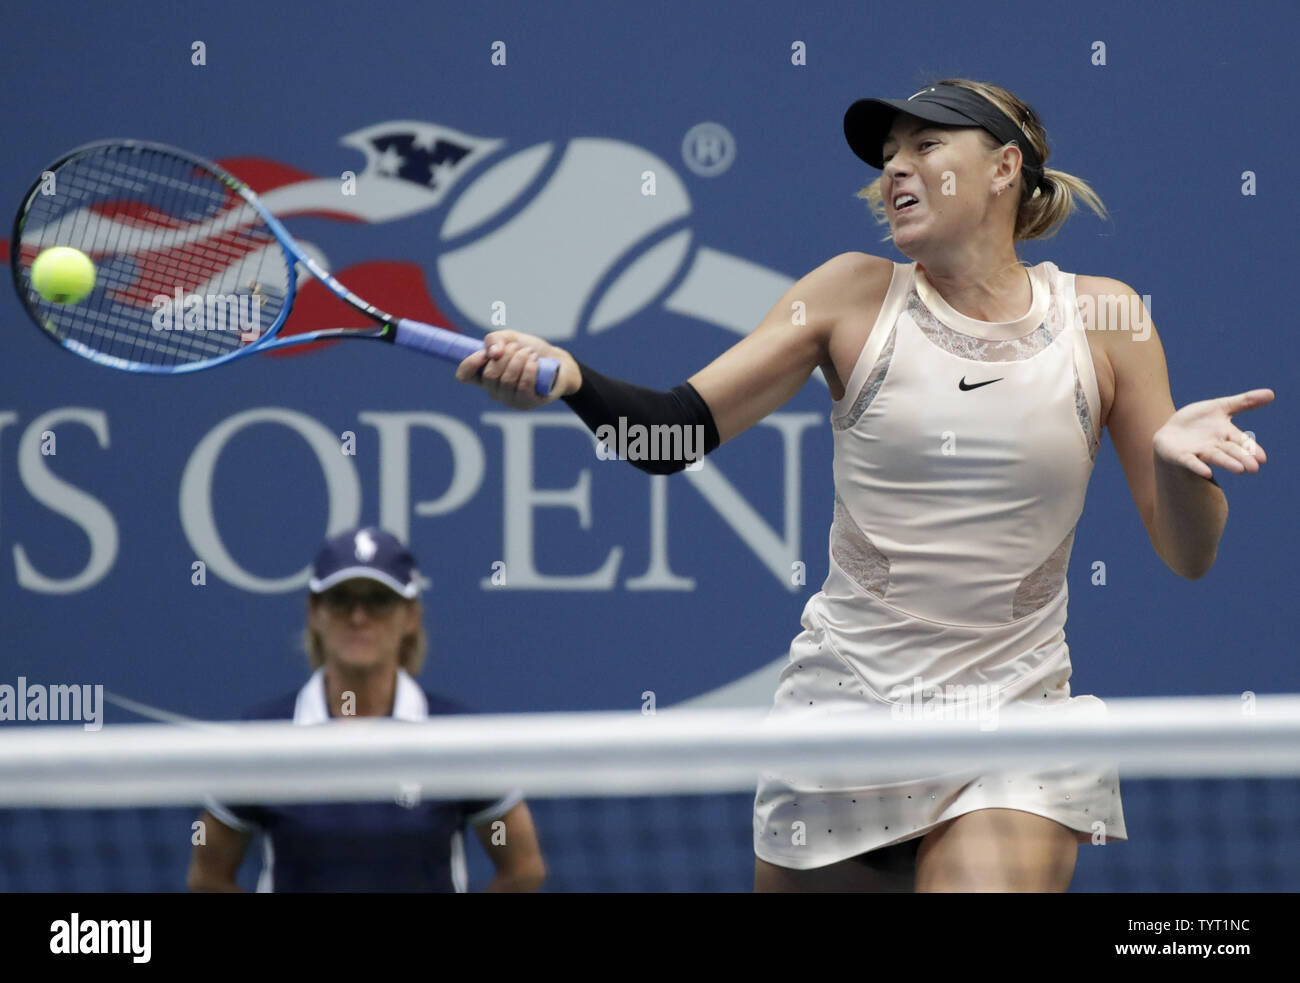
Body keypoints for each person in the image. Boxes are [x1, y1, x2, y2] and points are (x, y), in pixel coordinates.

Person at [453, 77, 1273, 893]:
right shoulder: (849, 296)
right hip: (841, 721)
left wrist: (1178, 466)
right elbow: (671, 435)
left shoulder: (1106, 319)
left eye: (925, 146)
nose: (896, 170)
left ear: (1003, 168)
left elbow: (1188, 551)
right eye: (889, 156)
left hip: (1014, 720)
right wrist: (571, 383)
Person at [187, 526, 547, 893]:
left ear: (410, 617)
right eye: (341, 599)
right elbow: (208, 875)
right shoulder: (264, 737)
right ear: (314, 613)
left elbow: (522, 868)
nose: (359, 617)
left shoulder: (458, 737)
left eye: (378, 599)